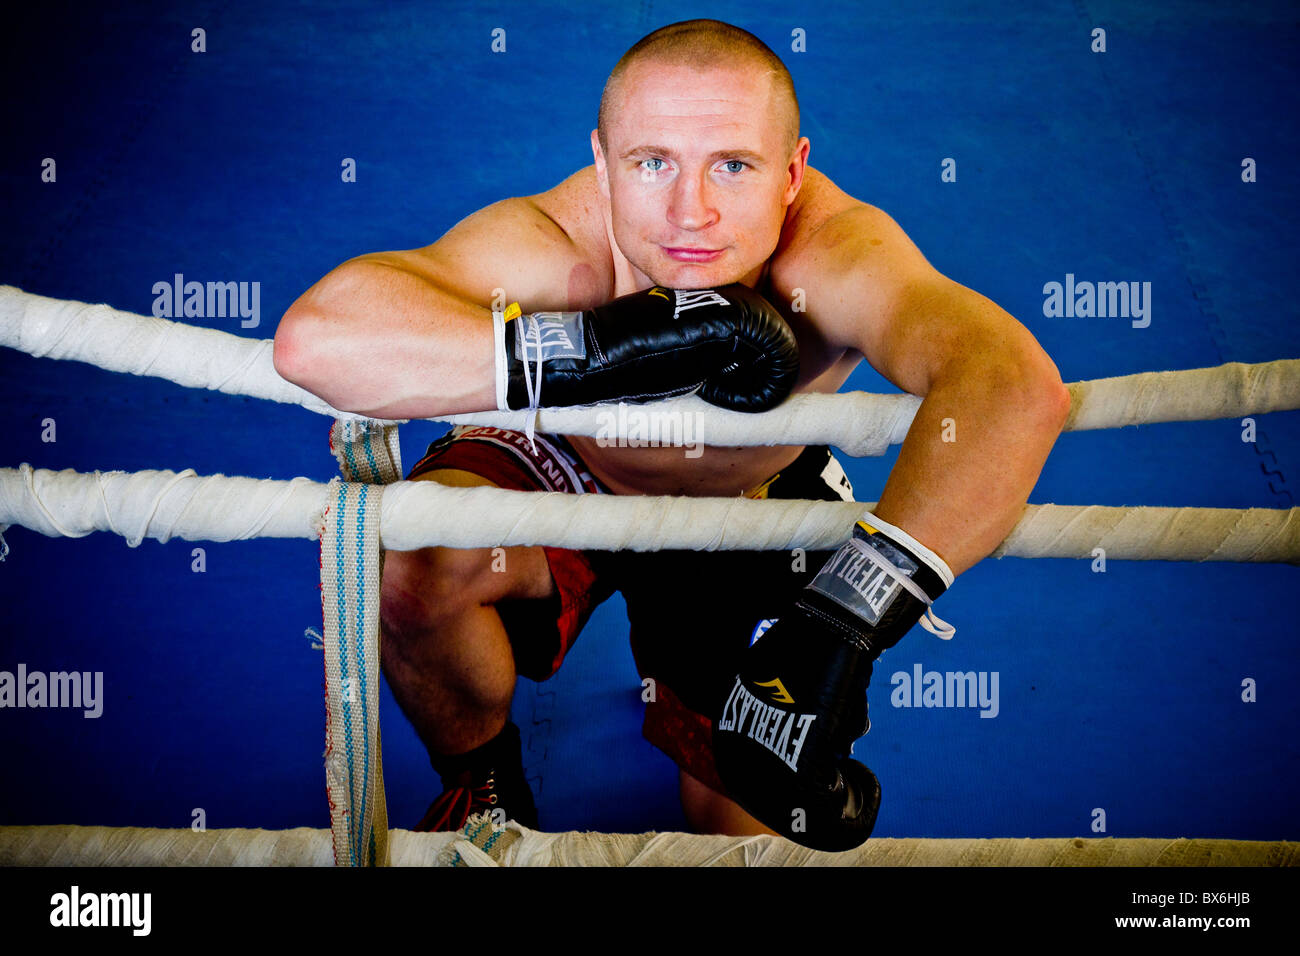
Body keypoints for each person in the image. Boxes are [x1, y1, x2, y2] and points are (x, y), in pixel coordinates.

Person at [272, 19, 1070, 846]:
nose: (692, 211)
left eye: (733, 164)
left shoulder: (833, 255)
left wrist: (843, 620)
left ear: (793, 172)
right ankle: (479, 780)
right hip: (571, 459)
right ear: (602, 162)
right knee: (413, 562)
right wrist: (593, 349)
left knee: (742, 828)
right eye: (652, 163)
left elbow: (1013, 384)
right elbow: (316, 336)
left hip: (746, 498)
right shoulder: (564, 244)